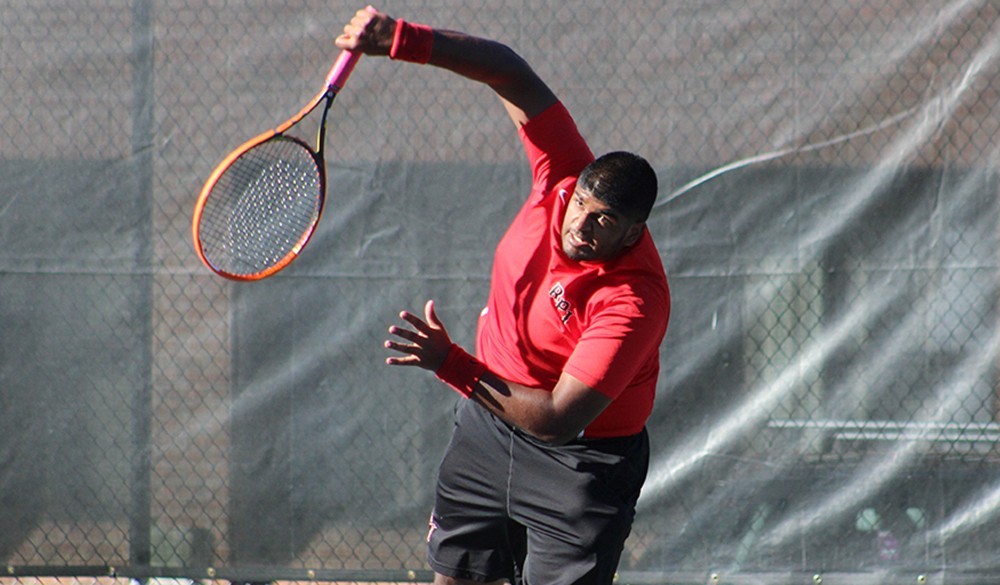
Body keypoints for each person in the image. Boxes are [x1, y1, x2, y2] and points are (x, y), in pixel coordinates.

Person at [336, 7, 670, 585]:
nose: (579, 226)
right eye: (582, 206)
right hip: (486, 430)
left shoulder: (632, 300)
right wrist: (403, 39)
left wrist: (451, 364)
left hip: (581, 465)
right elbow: (510, 73)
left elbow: (557, 420)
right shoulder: (562, 177)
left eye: (603, 222)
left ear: (634, 231)